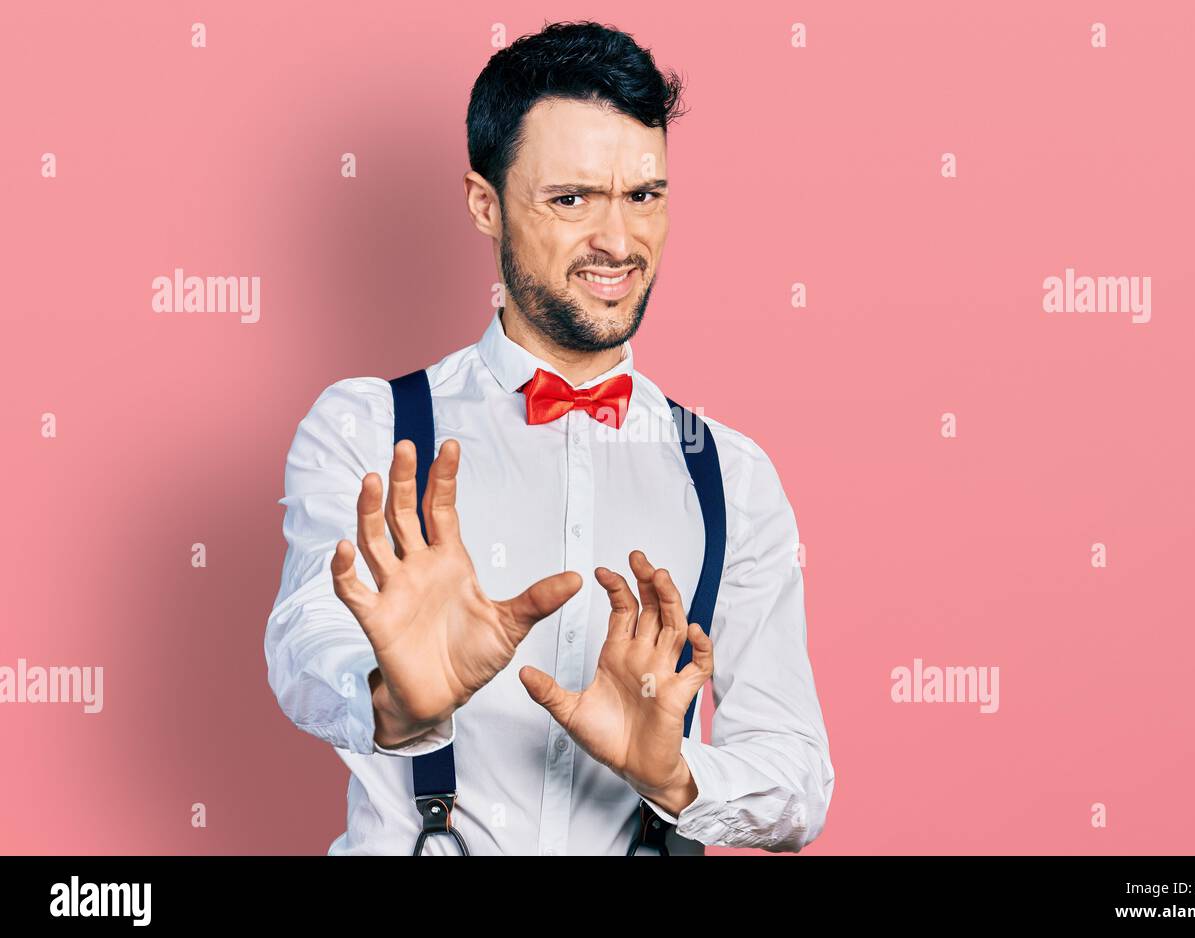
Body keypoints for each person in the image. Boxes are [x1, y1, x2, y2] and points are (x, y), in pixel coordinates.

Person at [265, 20, 833, 855]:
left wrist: (675, 776)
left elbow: (798, 778)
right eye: (571, 199)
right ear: (484, 203)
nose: (617, 240)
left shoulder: (731, 475)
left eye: (643, 195)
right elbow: (304, 645)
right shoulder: (367, 429)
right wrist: (397, 698)